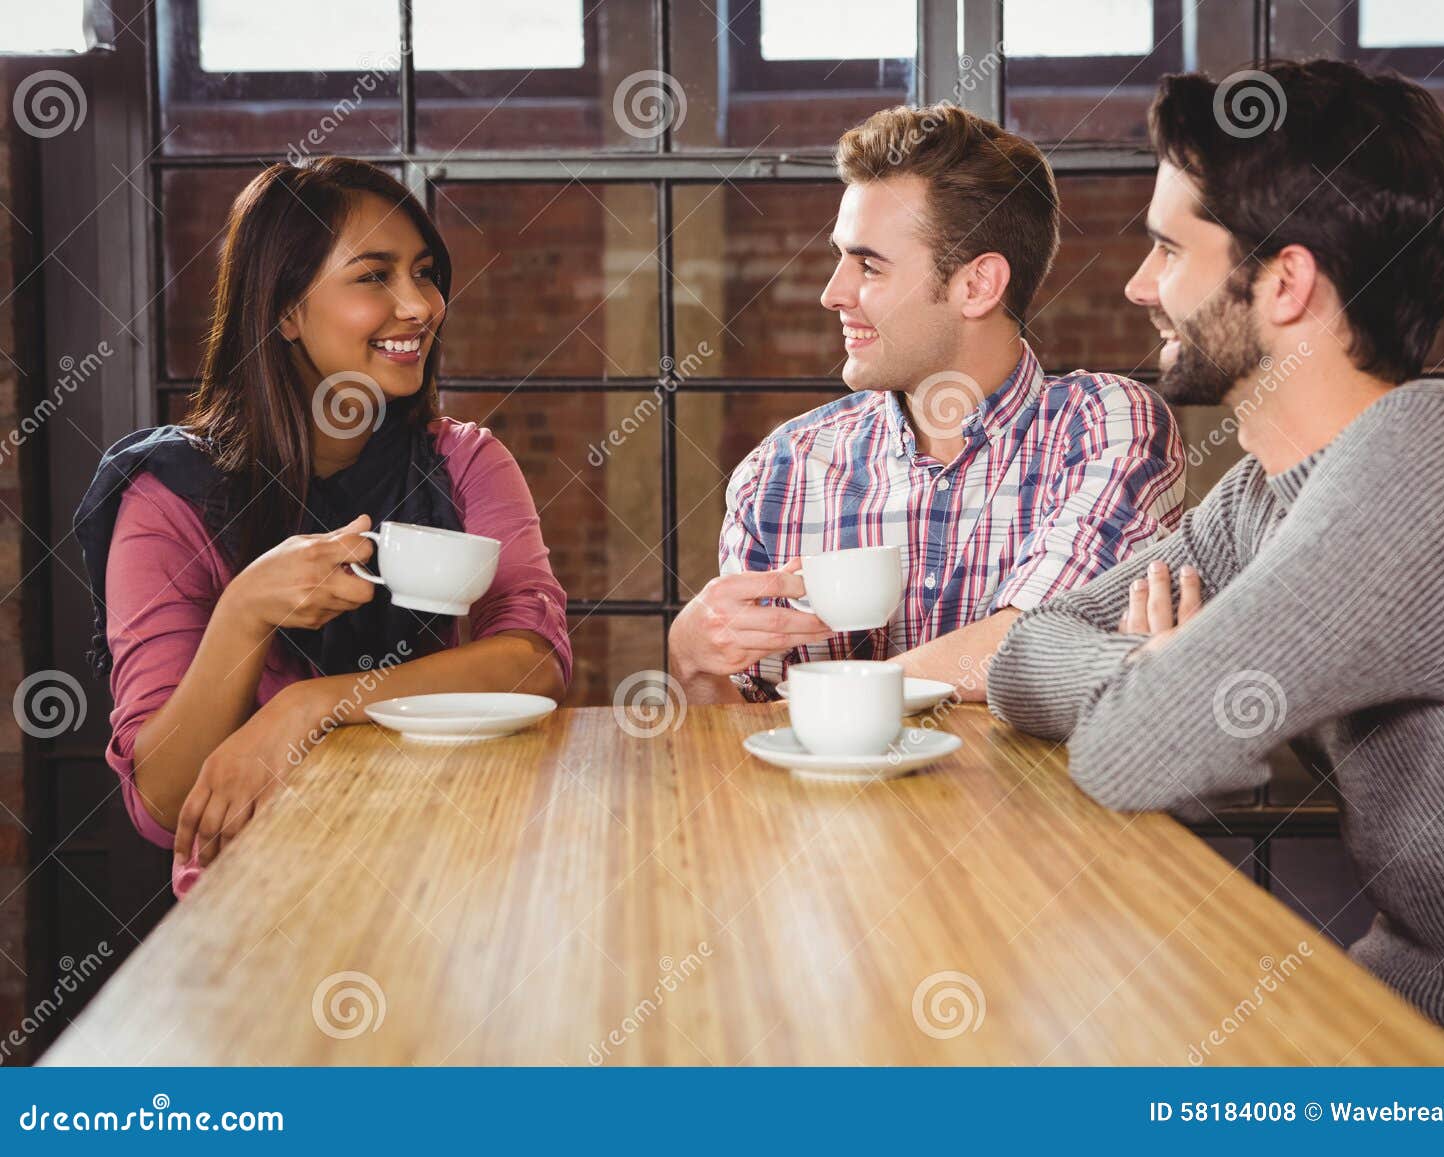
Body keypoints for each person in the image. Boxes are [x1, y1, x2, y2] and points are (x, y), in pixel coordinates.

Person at [986, 59, 1444, 1065]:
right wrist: (1146, 674)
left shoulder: (1442, 449)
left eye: (1166, 248)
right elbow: (1026, 650)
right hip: (1394, 1024)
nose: (1138, 285)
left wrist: (1157, 697)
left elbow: (1132, 751)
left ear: (1284, 281)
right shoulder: (1262, 496)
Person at [74, 158, 571, 893]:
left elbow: (533, 662)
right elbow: (163, 801)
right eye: (375, 276)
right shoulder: (168, 498)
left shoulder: (465, 462)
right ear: (285, 310)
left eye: (425, 272)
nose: (420, 305)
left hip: (463, 868)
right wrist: (243, 613)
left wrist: (310, 707)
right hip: (261, 902)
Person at [669, 104, 1186, 704]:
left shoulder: (1105, 425)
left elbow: (1049, 643)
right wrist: (693, 665)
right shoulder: (782, 469)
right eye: (840, 259)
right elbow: (739, 739)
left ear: (976, 285)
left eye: (868, 265)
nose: (833, 293)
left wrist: (831, 700)